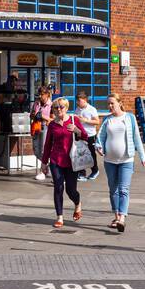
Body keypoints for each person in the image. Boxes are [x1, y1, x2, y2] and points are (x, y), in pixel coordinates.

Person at [98, 93, 145, 232]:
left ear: (119, 103)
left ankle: (122, 218)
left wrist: (142, 156)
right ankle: (117, 216)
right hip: (109, 160)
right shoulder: (107, 120)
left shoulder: (129, 118)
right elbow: (100, 138)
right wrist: (99, 147)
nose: (110, 106)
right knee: (113, 189)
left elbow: (137, 138)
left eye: (112, 103)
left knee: (123, 189)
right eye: (108, 104)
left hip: (127, 159)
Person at [42, 97, 89, 228]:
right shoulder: (52, 124)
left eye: (61, 107)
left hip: (71, 160)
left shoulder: (74, 120)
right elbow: (47, 145)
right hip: (56, 160)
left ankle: (77, 203)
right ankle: (59, 217)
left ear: (67, 108)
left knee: (70, 190)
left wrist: (77, 130)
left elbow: (85, 136)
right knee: (58, 187)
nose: (58, 110)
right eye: (56, 107)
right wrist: (44, 163)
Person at [73, 90, 101, 181]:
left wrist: (85, 120)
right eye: (77, 101)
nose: (77, 102)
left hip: (90, 135)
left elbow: (97, 121)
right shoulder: (77, 109)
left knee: (91, 154)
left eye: (79, 101)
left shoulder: (92, 109)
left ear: (85, 100)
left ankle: (95, 171)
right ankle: (82, 173)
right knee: (80, 154)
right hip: (80, 134)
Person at [30, 85, 53, 182]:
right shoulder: (36, 103)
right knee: (36, 151)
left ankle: (42, 171)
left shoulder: (52, 105)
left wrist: (43, 116)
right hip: (36, 127)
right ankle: (48, 167)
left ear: (47, 94)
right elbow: (31, 115)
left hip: (45, 128)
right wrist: (33, 115)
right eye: (39, 94)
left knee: (44, 151)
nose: (40, 96)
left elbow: (53, 119)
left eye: (42, 94)